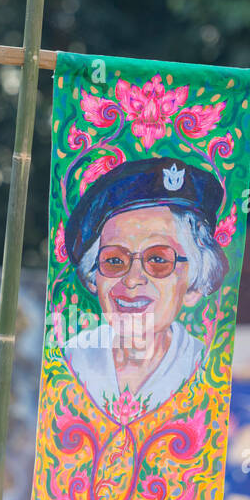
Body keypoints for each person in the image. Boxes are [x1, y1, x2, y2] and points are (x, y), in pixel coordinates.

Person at [62, 157, 229, 414]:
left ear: (194, 283)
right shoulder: (69, 361)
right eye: (115, 260)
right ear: (94, 276)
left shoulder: (209, 369)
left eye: (158, 259)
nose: (131, 280)